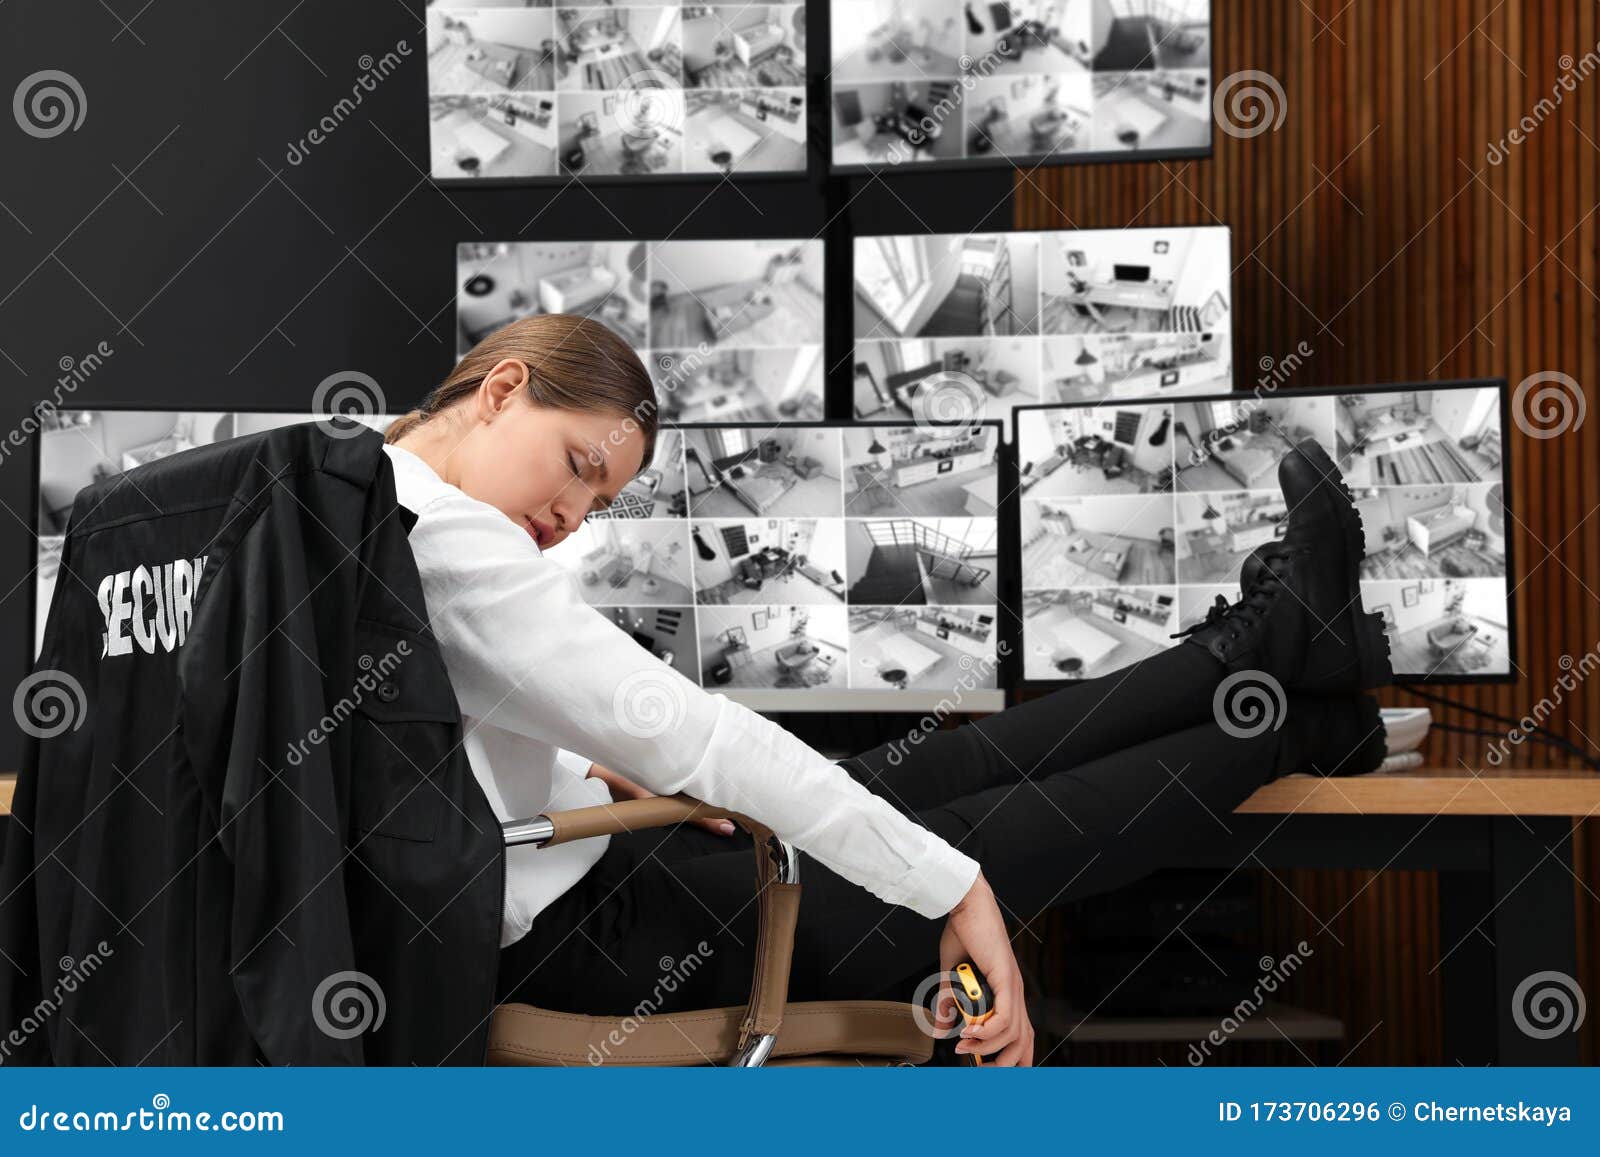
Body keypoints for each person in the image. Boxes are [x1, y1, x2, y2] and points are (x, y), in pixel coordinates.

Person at [383, 314, 1392, 1067]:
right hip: (599, 933)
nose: (572, 515)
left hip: (599, 850)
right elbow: (693, 732)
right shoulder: (446, 538)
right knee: (967, 837)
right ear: (501, 387)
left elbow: (440, 744)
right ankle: (1300, 713)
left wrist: (573, 760)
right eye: (576, 469)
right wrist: (952, 886)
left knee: (950, 765)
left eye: (596, 498)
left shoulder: (361, 493)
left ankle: (1265, 658)